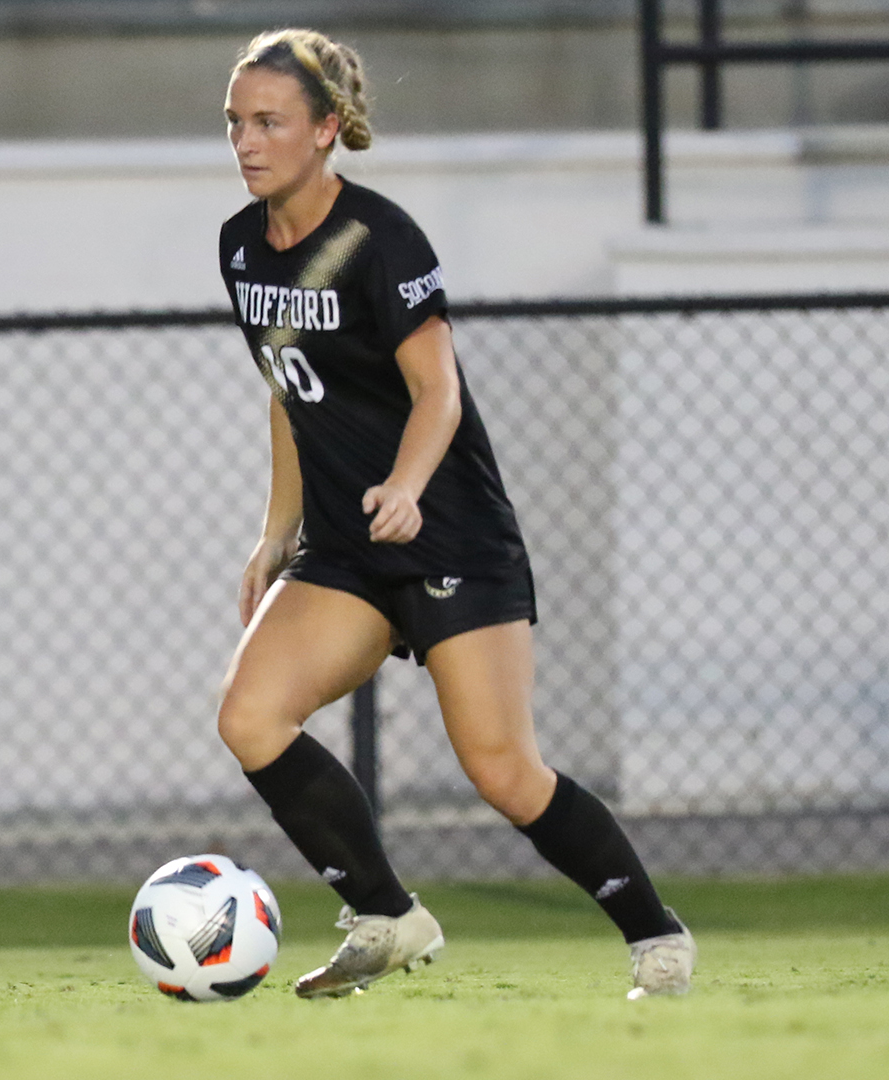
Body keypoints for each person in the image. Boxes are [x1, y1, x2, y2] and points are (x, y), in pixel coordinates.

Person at [214, 31, 696, 1000]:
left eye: (269, 120)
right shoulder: (240, 245)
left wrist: (403, 486)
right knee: (252, 718)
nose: (246, 140)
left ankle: (658, 939)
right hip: (349, 550)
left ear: (326, 129)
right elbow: (287, 390)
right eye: (234, 121)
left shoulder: (378, 239)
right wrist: (276, 530)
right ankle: (388, 916)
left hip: (450, 536)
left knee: (505, 773)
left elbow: (438, 390)